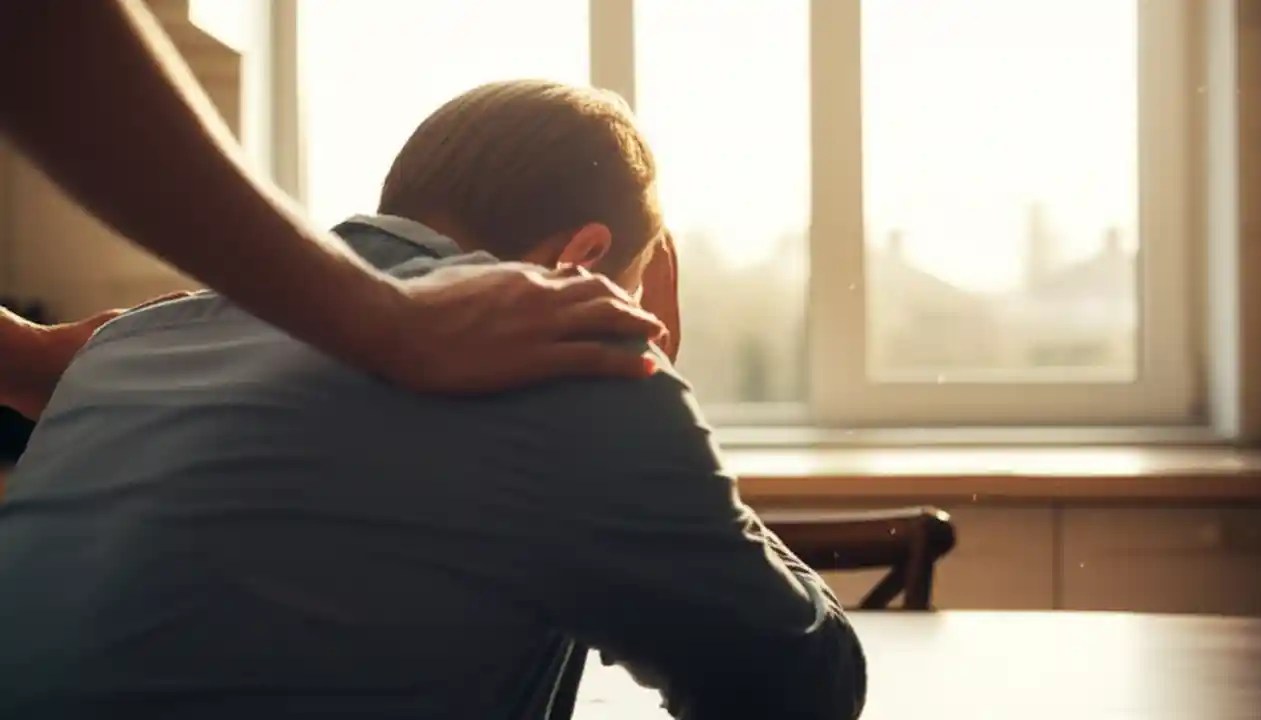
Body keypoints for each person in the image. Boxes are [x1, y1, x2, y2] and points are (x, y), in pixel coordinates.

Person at [0, 80, 864, 719]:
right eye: (638, 281)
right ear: (581, 261)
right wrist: (655, 368)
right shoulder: (570, 362)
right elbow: (798, 689)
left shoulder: (129, 344)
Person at [0, 0, 666, 412]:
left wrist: (32, 355)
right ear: (581, 261)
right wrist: (651, 386)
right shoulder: (584, 397)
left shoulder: (122, 359)